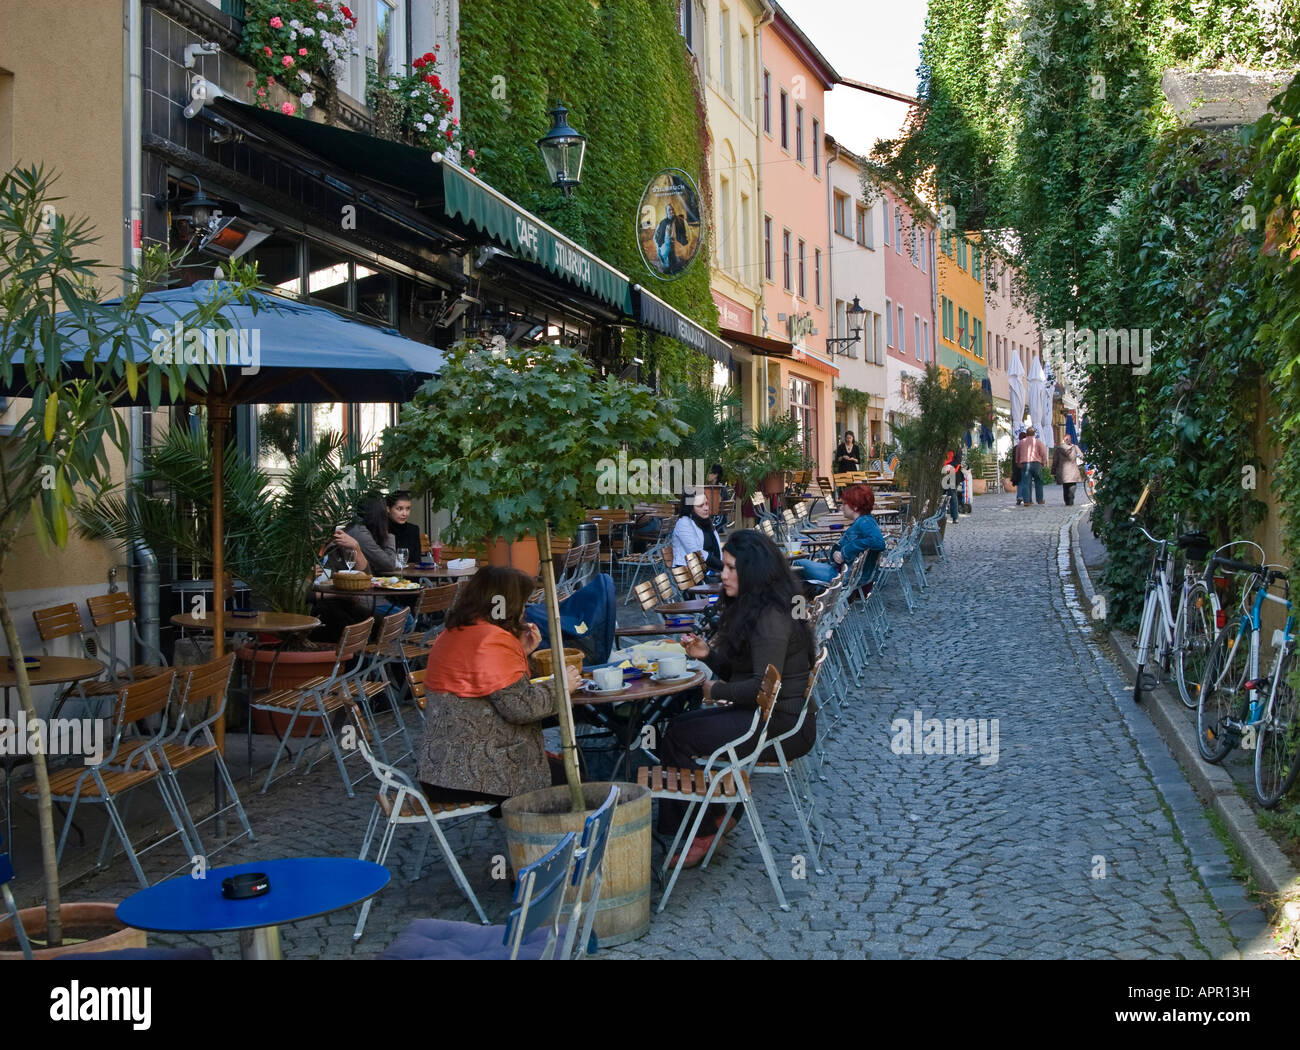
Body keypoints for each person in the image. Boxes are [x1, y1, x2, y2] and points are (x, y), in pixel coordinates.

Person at [656, 530, 814, 868]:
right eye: (723, 567)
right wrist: (707, 656)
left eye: (730, 568)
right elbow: (747, 674)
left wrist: (714, 691)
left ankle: (701, 829)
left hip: (782, 726)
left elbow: (760, 687)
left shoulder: (772, 618)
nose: (722, 575)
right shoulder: (765, 606)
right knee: (676, 728)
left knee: (677, 737)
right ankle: (716, 816)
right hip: (770, 717)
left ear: (753, 572)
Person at [417, 566, 582, 809]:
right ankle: (555, 845)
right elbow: (521, 708)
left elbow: (493, 687)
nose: (525, 611)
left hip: (439, 770)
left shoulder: (453, 633)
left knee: (563, 768)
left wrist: (521, 653)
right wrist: (561, 686)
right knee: (575, 780)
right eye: (523, 603)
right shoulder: (492, 639)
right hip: (475, 775)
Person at [793, 483, 885, 584]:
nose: (841, 508)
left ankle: (799, 598)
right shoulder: (865, 520)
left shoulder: (864, 522)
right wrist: (838, 554)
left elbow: (878, 542)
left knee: (797, 564)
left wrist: (846, 551)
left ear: (855, 507)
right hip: (846, 573)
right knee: (798, 566)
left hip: (842, 577)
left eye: (844, 504)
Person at [672, 490, 723, 571]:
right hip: (690, 574)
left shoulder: (705, 521)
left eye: (706, 504)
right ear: (690, 508)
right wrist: (723, 566)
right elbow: (697, 552)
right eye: (700, 505)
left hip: (709, 570)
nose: (706, 508)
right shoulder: (684, 523)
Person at [385, 490, 422, 565]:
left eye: (408, 508)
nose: (405, 514)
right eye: (399, 509)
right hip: (385, 575)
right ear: (388, 509)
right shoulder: (381, 529)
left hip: (411, 575)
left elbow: (417, 561)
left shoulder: (413, 530)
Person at [1015, 426, 1047, 506]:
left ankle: (1027, 501)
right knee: (1038, 481)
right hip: (1036, 463)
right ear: (1034, 434)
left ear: (1026, 433)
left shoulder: (1021, 442)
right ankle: (1040, 500)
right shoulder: (1038, 442)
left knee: (1026, 482)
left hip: (1025, 463)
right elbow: (1043, 452)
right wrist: (1044, 462)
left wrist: (1017, 462)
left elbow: (1017, 453)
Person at [654, 202, 689, 273]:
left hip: (677, 245)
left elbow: (688, 235)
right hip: (666, 246)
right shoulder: (662, 223)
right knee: (667, 265)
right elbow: (656, 237)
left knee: (677, 264)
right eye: (669, 210)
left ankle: (675, 269)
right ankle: (668, 269)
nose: (671, 211)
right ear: (666, 212)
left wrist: (684, 247)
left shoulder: (681, 222)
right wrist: (659, 248)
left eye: (672, 209)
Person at [1053, 433, 1084, 505]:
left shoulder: (1059, 449)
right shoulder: (1075, 447)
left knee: (1065, 487)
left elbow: (1055, 461)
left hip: (1063, 471)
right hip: (1073, 470)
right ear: (1070, 440)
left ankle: (1067, 501)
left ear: (1063, 440)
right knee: (1073, 485)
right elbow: (1082, 456)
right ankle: (1071, 498)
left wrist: (1053, 471)